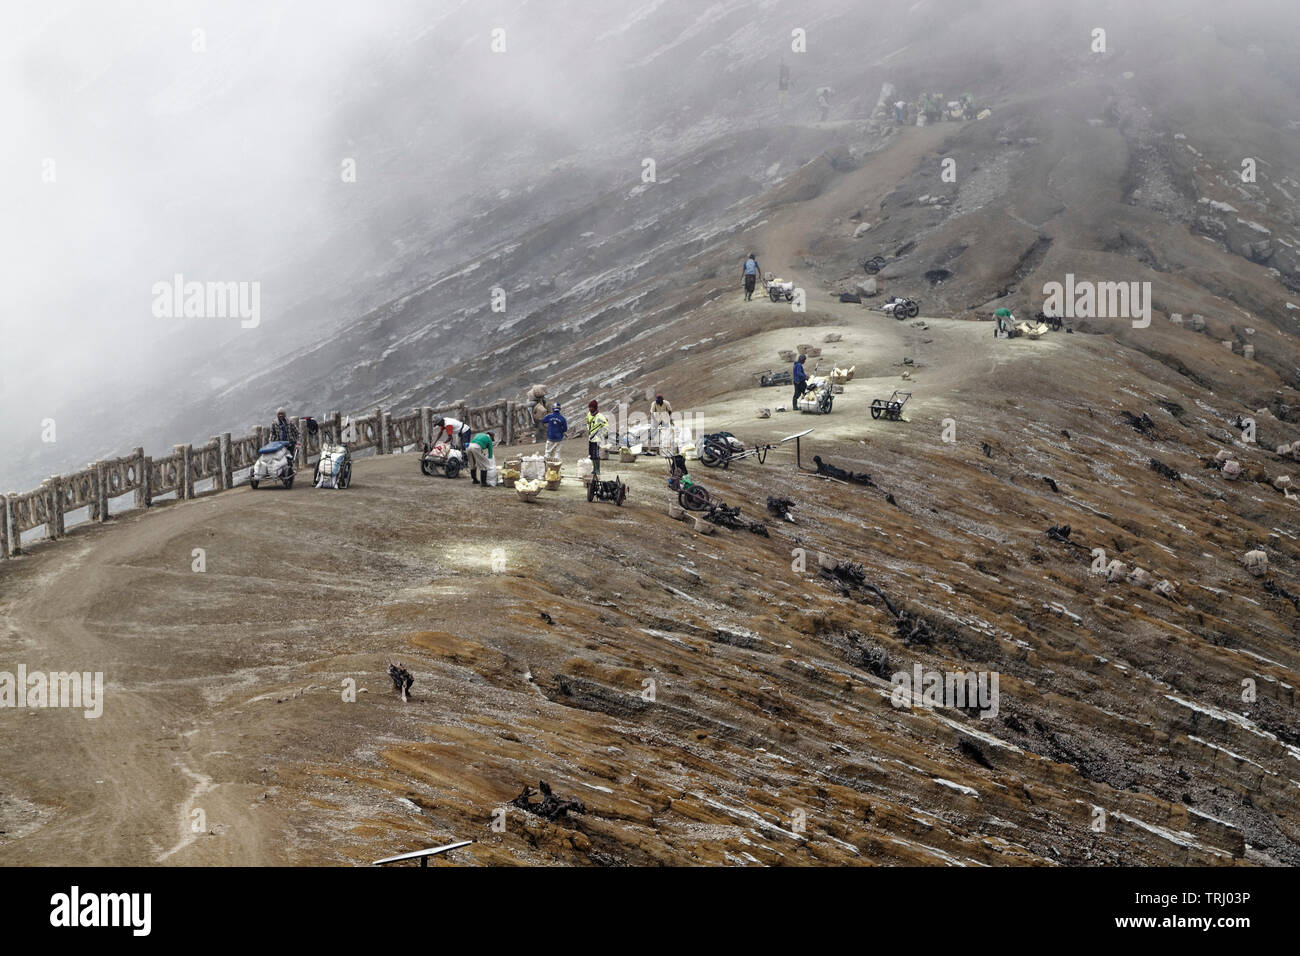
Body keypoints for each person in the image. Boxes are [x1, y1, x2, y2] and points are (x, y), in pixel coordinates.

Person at [586, 400, 609, 477]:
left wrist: (601, 434)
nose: (590, 409)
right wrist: (588, 429)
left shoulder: (600, 417)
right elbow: (587, 422)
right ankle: (594, 469)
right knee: (591, 454)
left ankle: (597, 469)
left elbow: (606, 427)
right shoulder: (589, 414)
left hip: (597, 439)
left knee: (596, 454)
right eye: (589, 407)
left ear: (595, 408)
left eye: (591, 407)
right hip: (591, 437)